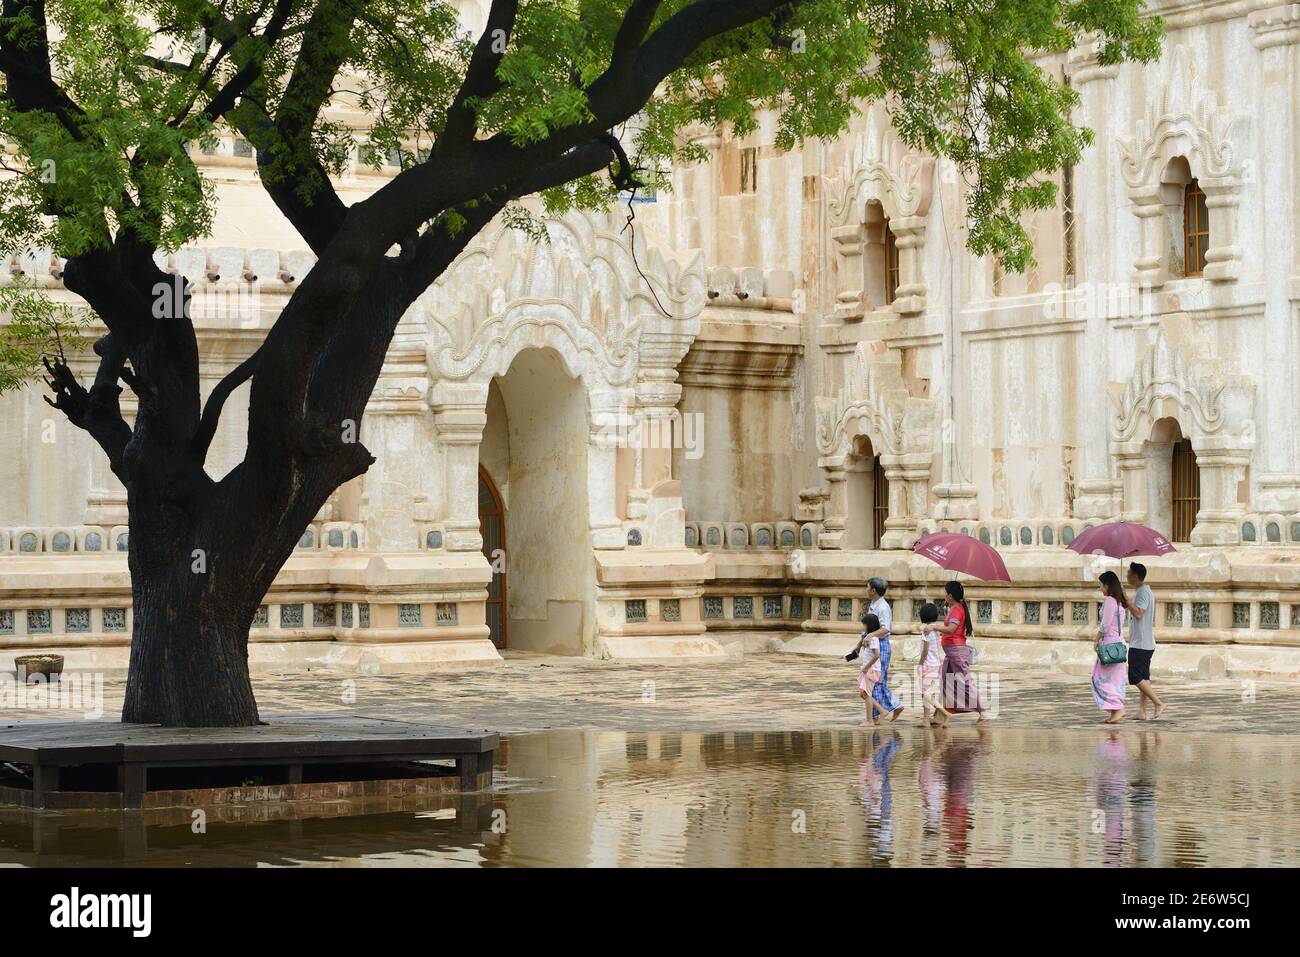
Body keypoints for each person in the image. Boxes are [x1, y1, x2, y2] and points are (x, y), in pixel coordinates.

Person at [932, 580, 987, 724]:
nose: (944, 596)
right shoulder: (954, 608)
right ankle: (941, 714)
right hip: (951, 653)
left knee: (965, 682)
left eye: (945, 594)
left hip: (956, 652)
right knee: (946, 681)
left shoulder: (957, 610)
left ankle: (983, 712)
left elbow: (951, 629)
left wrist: (935, 627)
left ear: (950, 596)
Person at [1123, 563, 1166, 720]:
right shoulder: (1142, 591)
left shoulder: (1143, 593)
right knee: (1144, 678)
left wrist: (1126, 601)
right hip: (1143, 642)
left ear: (1135, 576)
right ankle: (1142, 711)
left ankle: (1158, 703)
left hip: (1140, 643)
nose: (1127, 575)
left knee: (1134, 677)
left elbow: (1139, 613)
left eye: (1128, 573)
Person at [862, 577, 904, 720]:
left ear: (873, 590)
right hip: (873, 645)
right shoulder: (873, 604)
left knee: (877, 681)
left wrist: (871, 635)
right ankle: (894, 706)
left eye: (867, 587)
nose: (866, 590)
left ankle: (877, 715)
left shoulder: (883, 607)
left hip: (881, 646)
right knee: (876, 681)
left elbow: (886, 628)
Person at [1092, 570, 1128, 724]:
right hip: (1119, 643)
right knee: (1114, 679)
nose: (1100, 588)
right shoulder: (1120, 601)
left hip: (1109, 644)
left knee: (1099, 677)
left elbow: (1105, 625)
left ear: (1107, 585)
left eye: (1101, 585)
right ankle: (1115, 711)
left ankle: (1118, 708)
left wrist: (1096, 639)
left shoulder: (1110, 601)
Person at [915, 602, 949, 727]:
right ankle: (925, 720)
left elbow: (925, 650)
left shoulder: (926, 631)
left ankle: (943, 712)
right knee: (928, 692)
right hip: (936, 664)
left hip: (927, 665)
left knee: (925, 693)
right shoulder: (935, 629)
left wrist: (920, 664)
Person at [854, 613, 889, 725]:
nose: (863, 627)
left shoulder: (873, 639)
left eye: (864, 625)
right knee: (863, 693)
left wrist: (866, 667)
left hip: (871, 670)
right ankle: (882, 711)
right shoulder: (869, 637)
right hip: (869, 669)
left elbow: (877, 655)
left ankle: (869, 720)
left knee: (867, 694)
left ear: (869, 625)